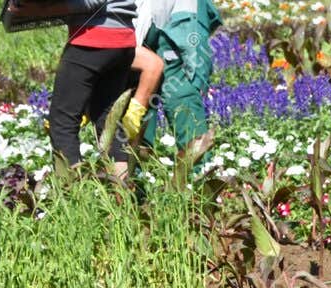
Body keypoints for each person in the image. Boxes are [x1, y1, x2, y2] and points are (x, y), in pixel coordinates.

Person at [21, 0, 142, 170]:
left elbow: (93, 2)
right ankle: (122, 193)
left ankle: (73, 192)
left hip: (94, 38)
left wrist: (38, 10)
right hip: (123, 38)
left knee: (63, 122)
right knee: (108, 121)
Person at [127, 0, 223, 156]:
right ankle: (137, 167)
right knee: (141, 87)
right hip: (146, 17)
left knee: (181, 91)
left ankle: (199, 169)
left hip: (180, 17)